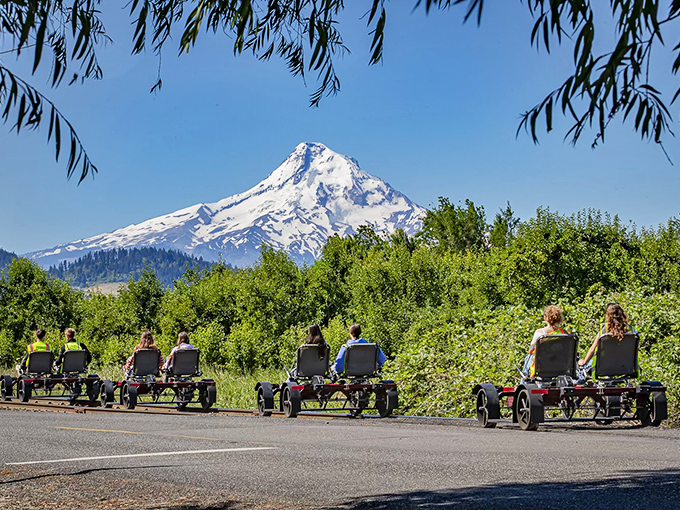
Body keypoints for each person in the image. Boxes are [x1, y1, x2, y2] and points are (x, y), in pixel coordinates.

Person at [578, 303, 636, 372]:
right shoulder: (631, 330)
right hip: (626, 367)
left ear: (608, 316)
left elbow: (592, 348)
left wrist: (583, 362)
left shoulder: (604, 330)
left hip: (603, 367)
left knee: (581, 369)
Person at [522, 305, 569, 380]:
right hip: (561, 368)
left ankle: (524, 383)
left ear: (545, 317)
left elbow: (531, 351)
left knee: (527, 358)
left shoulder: (539, 333)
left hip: (542, 368)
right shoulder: (566, 334)